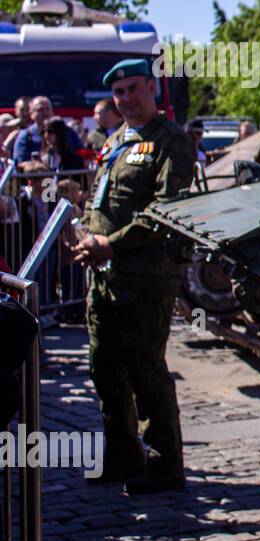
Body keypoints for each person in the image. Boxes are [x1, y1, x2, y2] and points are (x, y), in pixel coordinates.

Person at [73, 59, 196, 494]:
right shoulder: (115, 141)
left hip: (146, 277)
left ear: (151, 89)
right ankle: (124, 455)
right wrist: (89, 237)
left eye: (133, 89)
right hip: (105, 274)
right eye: (119, 92)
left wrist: (113, 243)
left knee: (145, 369)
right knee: (104, 366)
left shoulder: (171, 142)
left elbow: (167, 210)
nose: (126, 99)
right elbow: (98, 199)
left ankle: (165, 464)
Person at [13, 96, 83, 164]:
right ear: (31, 114)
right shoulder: (26, 136)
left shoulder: (68, 132)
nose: (45, 113)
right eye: (40, 110)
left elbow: (81, 154)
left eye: (47, 109)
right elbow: (20, 162)